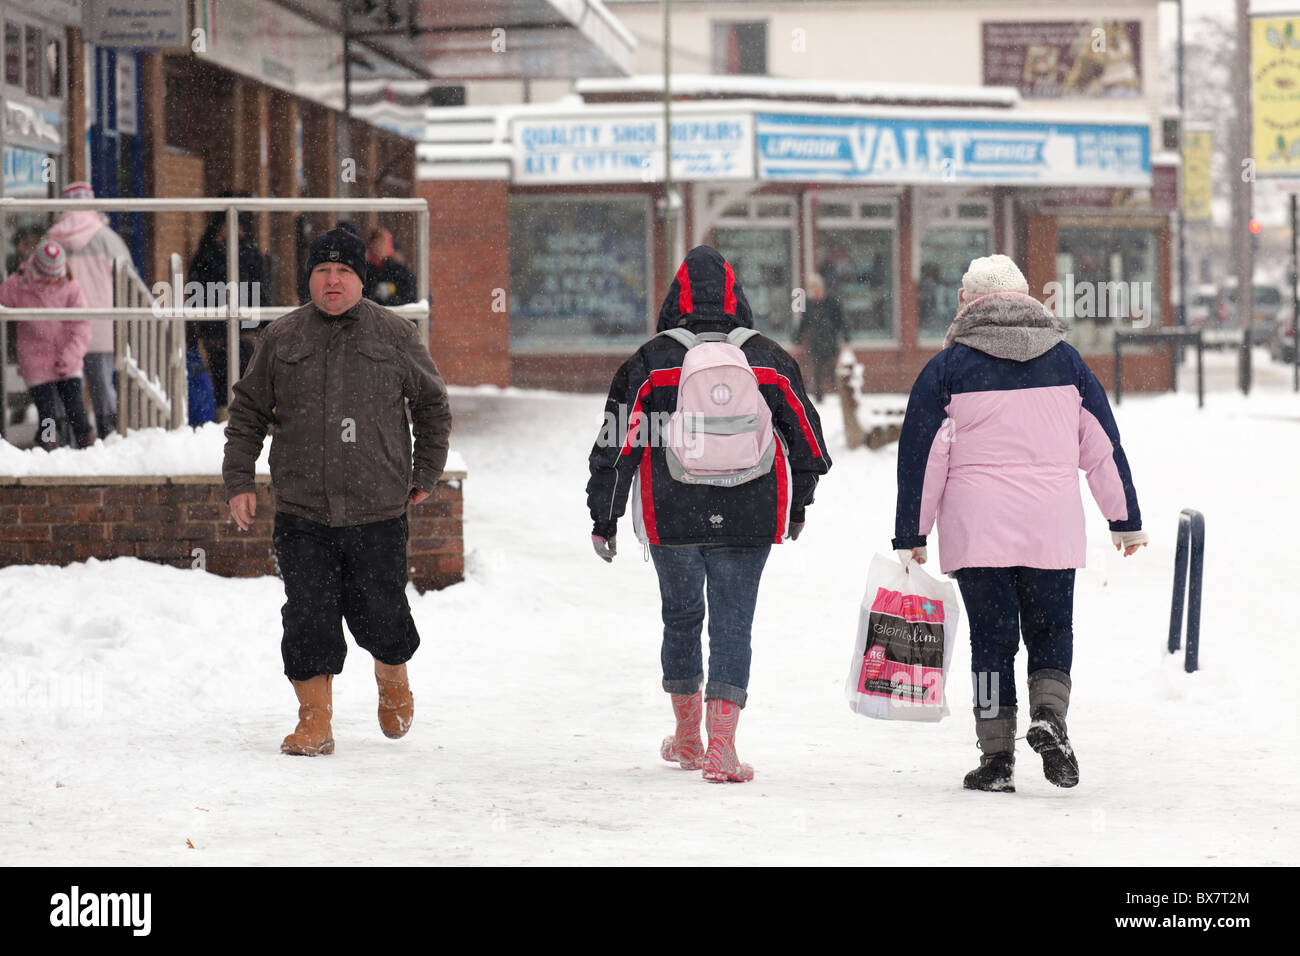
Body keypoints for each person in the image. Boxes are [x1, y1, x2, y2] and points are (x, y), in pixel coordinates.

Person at [892, 254, 1146, 793]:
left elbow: (921, 457)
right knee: (1052, 629)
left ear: (968, 303)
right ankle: (1049, 716)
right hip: (1050, 527)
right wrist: (1123, 518)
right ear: (1027, 299)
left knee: (992, 641)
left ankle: (996, 758)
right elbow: (1101, 445)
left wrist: (911, 534)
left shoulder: (947, 370)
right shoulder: (1068, 363)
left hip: (978, 531)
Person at [586, 245, 831, 783]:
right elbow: (808, 441)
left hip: (671, 514)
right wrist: (798, 505)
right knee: (733, 623)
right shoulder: (768, 358)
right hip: (750, 513)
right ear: (736, 297)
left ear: (676, 297)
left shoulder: (650, 361)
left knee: (680, 618)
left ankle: (687, 737)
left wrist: (603, 518)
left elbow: (617, 445)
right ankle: (723, 747)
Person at [222, 227, 453, 756]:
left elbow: (432, 406)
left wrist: (425, 473)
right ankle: (314, 720)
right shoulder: (282, 338)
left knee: (382, 611)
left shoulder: (394, 335)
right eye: (323, 271)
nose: (332, 280)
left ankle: (392, 676)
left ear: (360, 278)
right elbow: (247, 413)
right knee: (307, 613)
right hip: (303, 510)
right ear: (309, 278)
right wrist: (239, 480)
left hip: (378, 507)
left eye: (344, 271)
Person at [46, 181, 131, 439]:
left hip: (63, 328)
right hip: (102, 327)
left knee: (67, 387)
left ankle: (68, 437)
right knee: (102, 386)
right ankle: (108, 434)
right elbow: (128, 280)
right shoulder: (108, 239)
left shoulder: (52, 240)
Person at [0, 241, 94, 450]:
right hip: (36, 361)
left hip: (68, 359)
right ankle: (50, 447)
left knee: (76, 409)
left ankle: (87, 447)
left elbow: (82, 325)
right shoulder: (19, 284)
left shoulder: (70, 286)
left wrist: (72, 354)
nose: (53, 281)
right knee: (48, 413)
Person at [189, 207, 266, 420]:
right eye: (226, 224)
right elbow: (196, 289)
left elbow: (260, 288)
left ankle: (244, 419)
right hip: (217, 331)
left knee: (246, 378)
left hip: (244, 330)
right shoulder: (207, 254)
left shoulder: (249, 254)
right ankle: (224, 417)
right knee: (222, 381)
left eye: (236, 224)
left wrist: (262, 322)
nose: (231, 229)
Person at [794, 272, 848, 403]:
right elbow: (803, 323)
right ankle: (819, 399)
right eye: (812, 290)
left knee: (832, 371)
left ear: (822, 288)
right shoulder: (809, 304)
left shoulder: (832, 303)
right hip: (815, 342)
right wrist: (796, 340)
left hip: (830, 341)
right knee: (816, 371)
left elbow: (842, 322)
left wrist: (847, 339)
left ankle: (842, 396)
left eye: (816, 289)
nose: (815, 293)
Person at [363, 227, 418, 307]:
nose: (379, 247)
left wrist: (393, 289)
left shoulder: (397, 268)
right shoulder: (364, 269)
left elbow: (410, 292)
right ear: (371, 245)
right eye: (376, 243)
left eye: (383, 243)